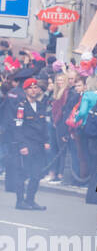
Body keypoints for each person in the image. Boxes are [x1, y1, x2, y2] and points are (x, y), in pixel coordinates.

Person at [11, 78, 52, 211]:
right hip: (26, 145)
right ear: (25, 90)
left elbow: (44, 125)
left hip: (38, 145)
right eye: (30, 88)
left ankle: (30, 200)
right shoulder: (21, 106)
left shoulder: (41, 105)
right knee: (22, 174)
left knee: (36, 174)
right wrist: (21, 145)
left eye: (35, 88)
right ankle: (20, 201)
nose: (33, 90)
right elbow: (17, 127)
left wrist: (46, 140)